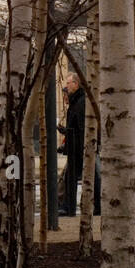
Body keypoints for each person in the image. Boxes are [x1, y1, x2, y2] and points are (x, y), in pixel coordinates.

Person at [58, 72, 85, 217]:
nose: (66, 86)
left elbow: (79, 128)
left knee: (69, 178)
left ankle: (69, 208)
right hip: (76, 147)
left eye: (68, 83)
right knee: (69, 178)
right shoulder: (77, 102)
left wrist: (66, 133)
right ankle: (68, 207)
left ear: (75, 84)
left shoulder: (79, 103)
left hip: (78, 149)